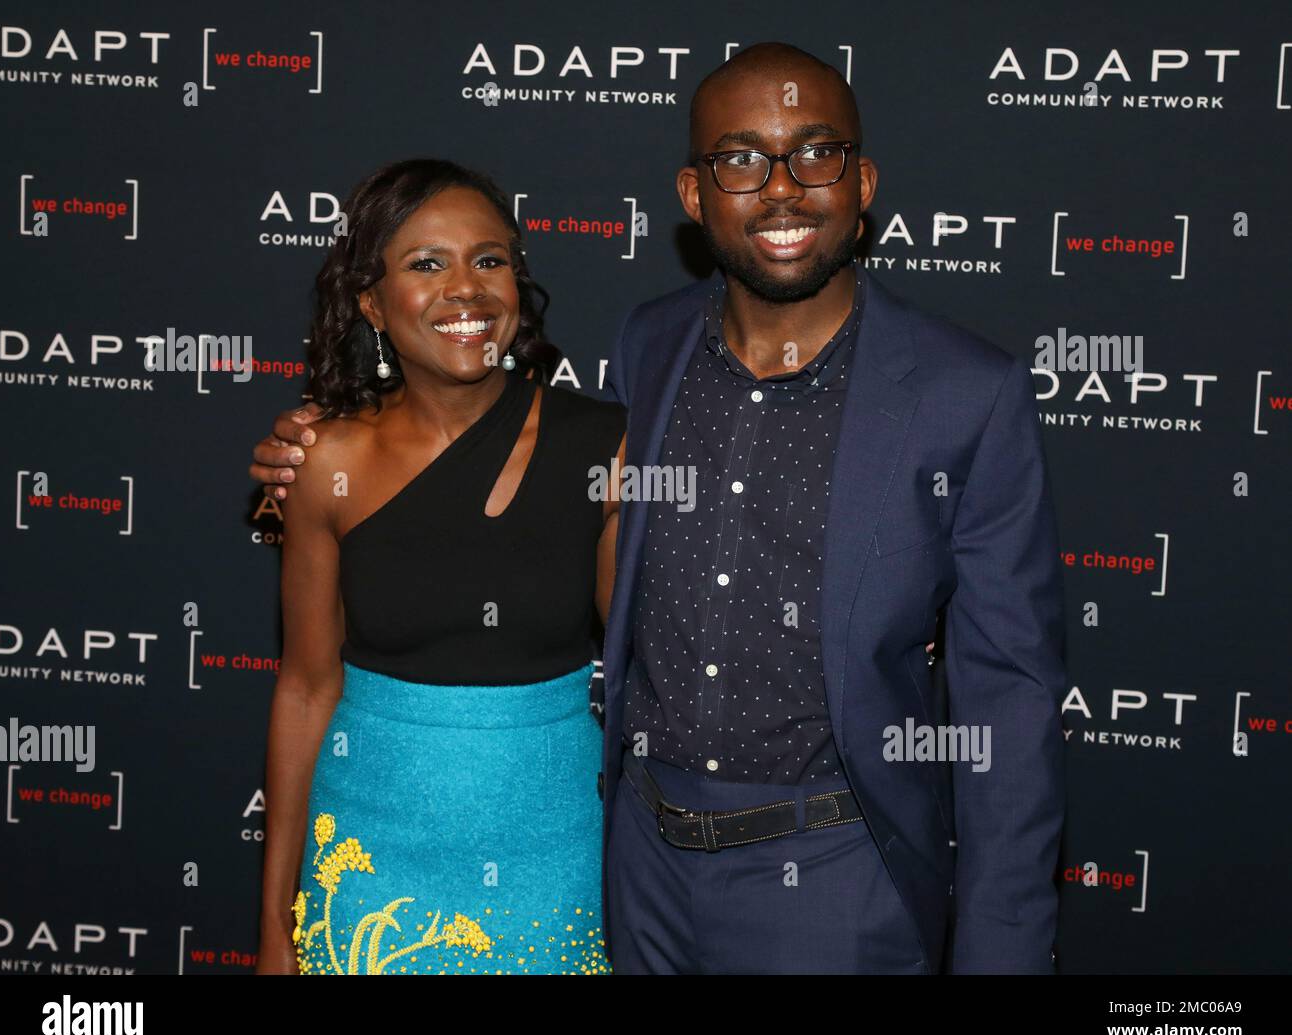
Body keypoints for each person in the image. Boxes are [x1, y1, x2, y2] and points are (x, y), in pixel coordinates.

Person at [252, 43, 1067, 976]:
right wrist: (307, 458)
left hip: (835, 871)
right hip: (636, 867)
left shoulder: (967, 393)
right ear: (693, 193)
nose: (782, 189)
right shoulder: (652, 344)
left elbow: (1008, 704)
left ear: (863, 178)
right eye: (741, 160)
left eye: (815, 153)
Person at [254, 159, 625, 975]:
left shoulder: (605, 448)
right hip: (365, 860)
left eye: (489, 260)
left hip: (553, 862)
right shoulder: (324, 461)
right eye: (427, 264)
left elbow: (647, 668)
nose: (467, 289)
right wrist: (275, 924)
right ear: (370, 301)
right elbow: (307, 687)